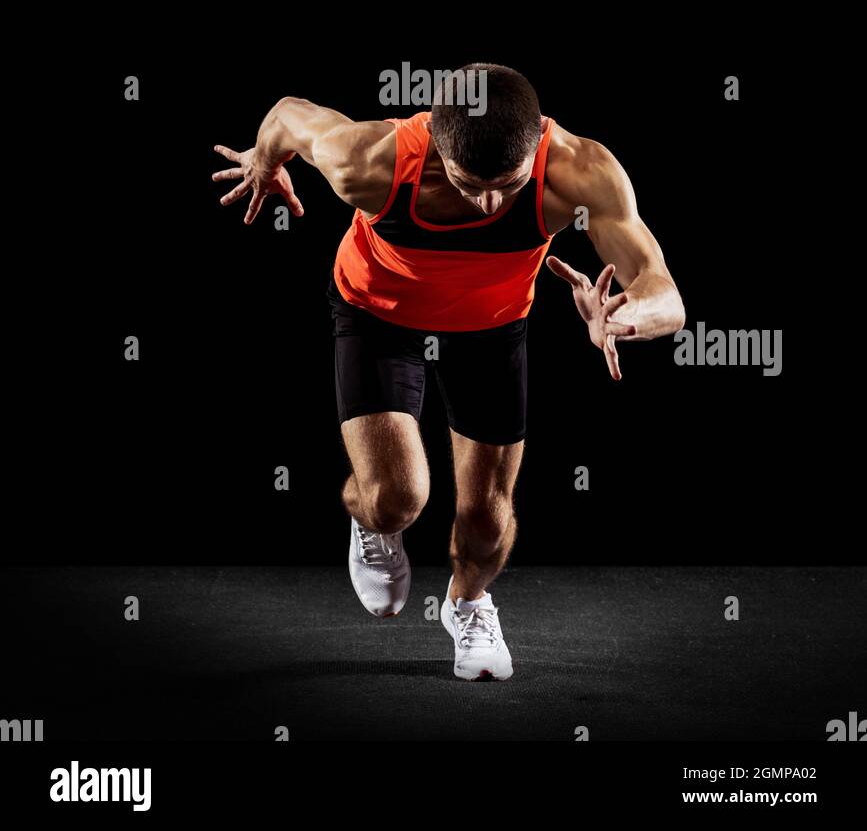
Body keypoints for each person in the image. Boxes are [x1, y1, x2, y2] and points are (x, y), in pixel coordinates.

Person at [213, 63, 685, 680]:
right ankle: (370, 523)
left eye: (509, 185)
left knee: (488, 520)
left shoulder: (578, 169)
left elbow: (666, 296)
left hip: (490, 325)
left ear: (537, 143)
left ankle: (468, 603)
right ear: (437, 141)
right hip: (378, 313)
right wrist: (264, 163)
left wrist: (622, 319)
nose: (490, 203)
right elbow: (286, 114)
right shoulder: (370, 161)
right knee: (395, 499)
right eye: (471, 185)